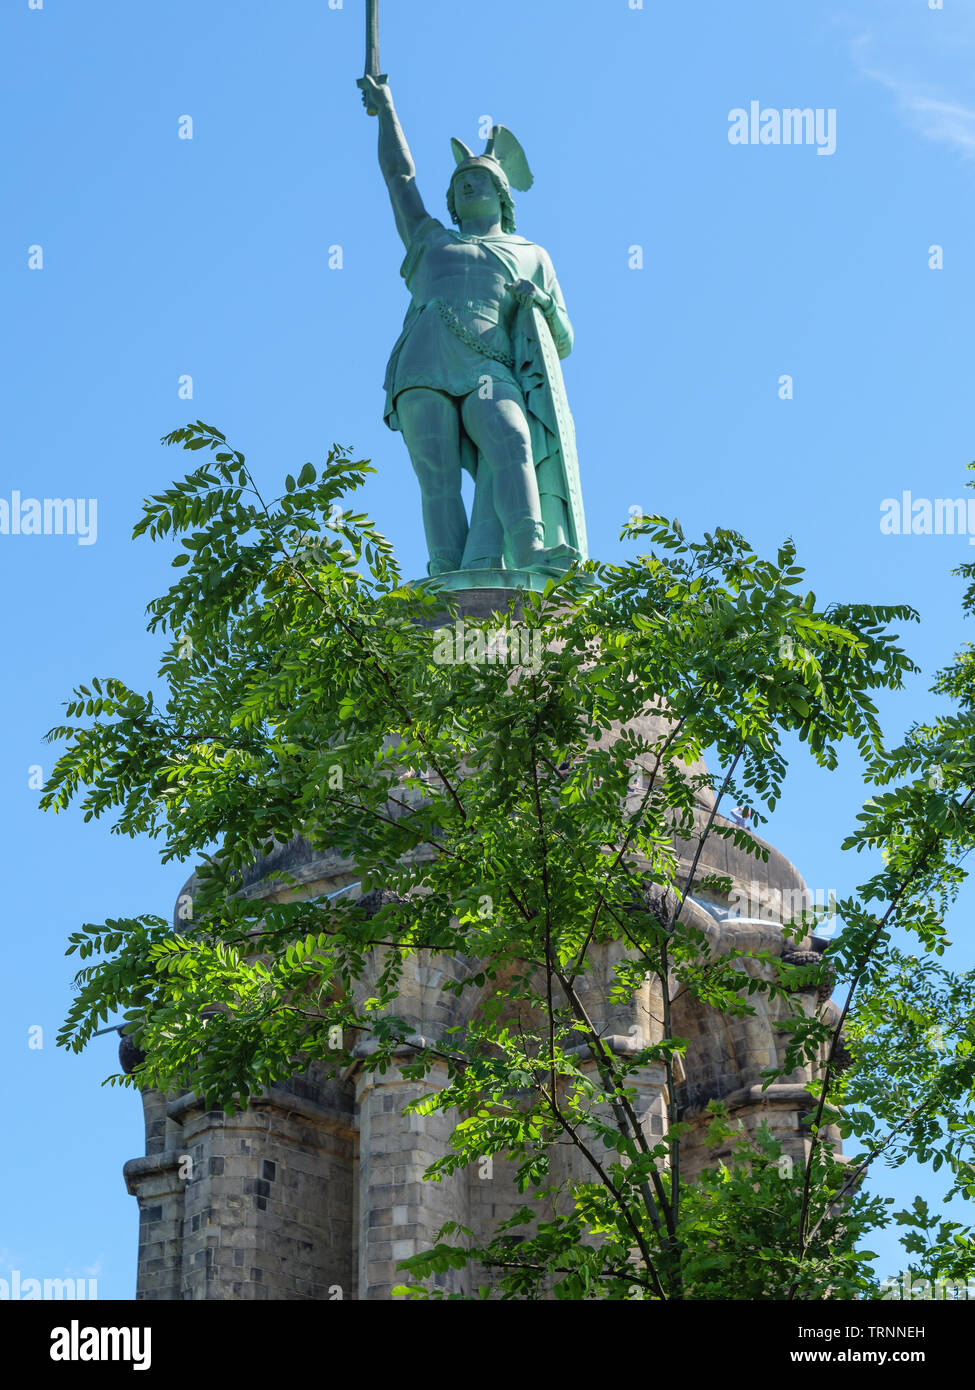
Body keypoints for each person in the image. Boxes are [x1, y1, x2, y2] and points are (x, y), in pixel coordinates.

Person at [359, 73, 586, 577]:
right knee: (436, 476)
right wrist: (387, 109)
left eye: (478, 176)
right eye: (459, 180)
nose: (466, 182)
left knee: (512, 440)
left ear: (502, 193)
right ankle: (445, 570)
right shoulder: (429, 240)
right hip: (422, 362)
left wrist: (542, 303)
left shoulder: (531, 255)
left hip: (489, 365)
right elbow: (399, 178)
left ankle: (528, 550)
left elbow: (563, 340)